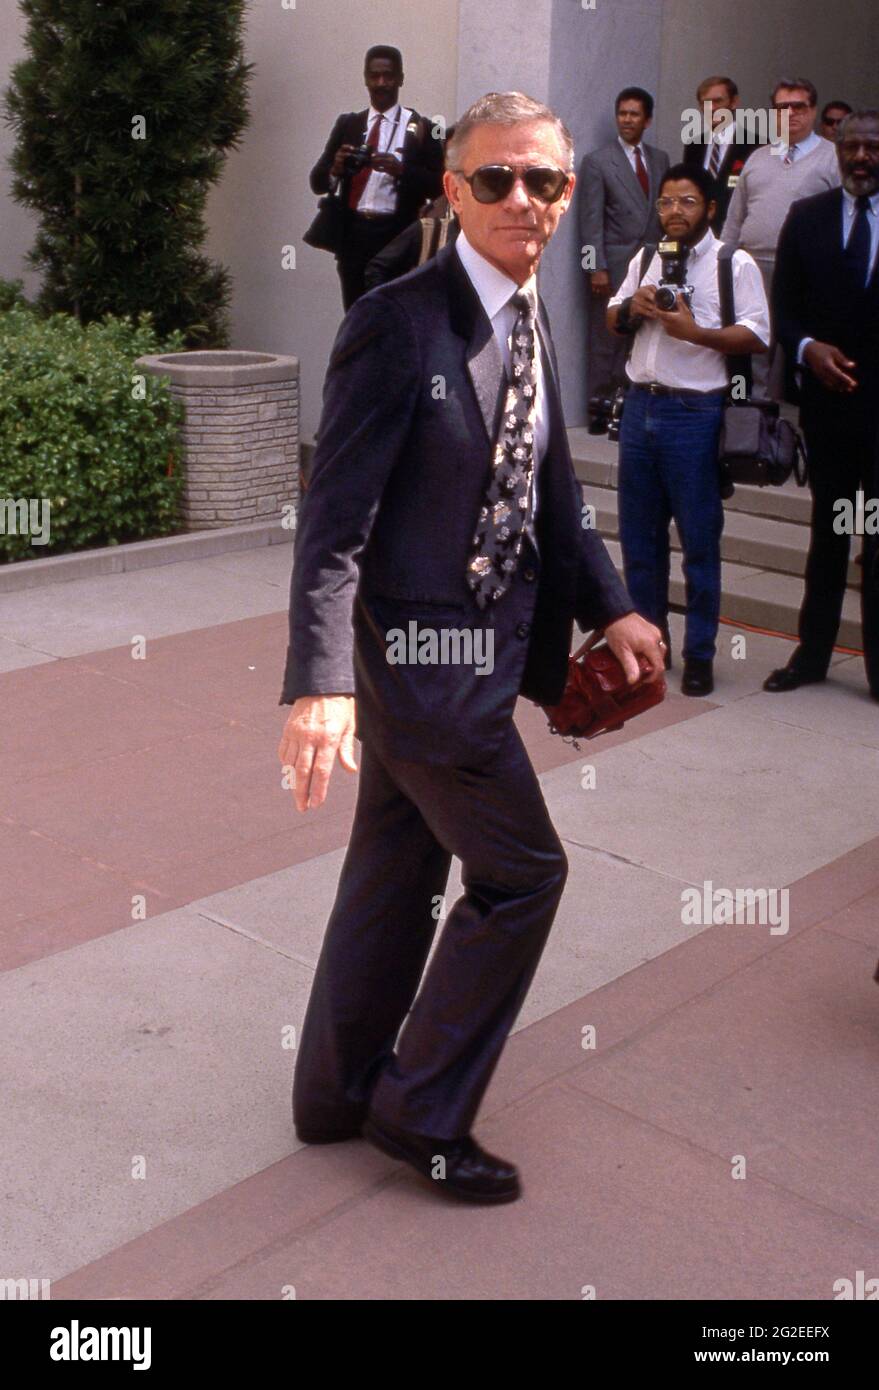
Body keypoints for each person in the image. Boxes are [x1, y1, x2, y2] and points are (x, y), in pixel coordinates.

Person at [277, 90, 663, 1205]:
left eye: (544, 181)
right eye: (495, 179)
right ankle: (422, 1109)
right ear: (453, 190)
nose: (522, 201)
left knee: (396, 871)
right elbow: (333, 518)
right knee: (522, 873)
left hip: (484, 663)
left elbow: (550, 494)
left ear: (566, 193)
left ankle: (336, 1092)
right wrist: (320, 686)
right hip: (423, 673)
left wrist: (615, 604)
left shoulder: (531, 316)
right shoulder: (397, 322)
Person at [607, 164, 770, 696]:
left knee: (699, 543)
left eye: (688, 203)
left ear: (711, 209)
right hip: (640, 407)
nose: (675, 213)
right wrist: (632, 307)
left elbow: (756, 335)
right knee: (638, 540)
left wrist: (694, 332)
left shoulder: (733, 262)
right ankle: (651, 648)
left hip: (695, 415)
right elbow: (611, 316)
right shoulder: (647, 256)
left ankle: (700, 654)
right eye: (667, 203)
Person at [763, 110, 879, 700]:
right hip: (829, 413)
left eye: (873, 147)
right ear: (837, 149)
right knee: (830, 535)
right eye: (852, 145)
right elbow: (783, 307)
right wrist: (808, 350)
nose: (861, 157)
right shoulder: (807, 218)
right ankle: (812, 656)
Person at [721, 77, 841, 397]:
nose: (790, 114)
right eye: (781, 107)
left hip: (806, 270)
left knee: (798, 346)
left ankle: (788, 427)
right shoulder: (758, 157)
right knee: (754, 344)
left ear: (812, 110)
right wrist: (722, 261)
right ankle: (753, 423)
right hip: (752, 265)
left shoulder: (833, 158)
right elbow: (736, 216)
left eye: (798, 106)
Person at [309, 45, 444, 309]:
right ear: (365, 79)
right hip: (353, 236)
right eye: (374, 76)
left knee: (392, 314)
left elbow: (441, 184)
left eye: (388, 76)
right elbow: (317, 183)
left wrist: (401, 170)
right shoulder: (348, 125)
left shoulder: (426, 128)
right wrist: (335, 169)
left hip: (397, 237)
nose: (381, 83)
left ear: (401, 79)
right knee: (356, 315)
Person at [577, 87, 669, 403]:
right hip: (613, 265)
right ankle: (600, 405)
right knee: (607, 338)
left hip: (652, 262)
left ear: (648, 120)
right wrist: (595, 268)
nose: (627, 120)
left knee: (642, 333)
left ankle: (627, 404)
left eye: (634, 114)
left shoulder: (659, 159)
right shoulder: (598, 162)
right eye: (622, 113)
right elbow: (590, 221)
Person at [682, 75, 762, 231]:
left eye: (718, 101)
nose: (711, 108)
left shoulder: (756, 146)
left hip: (738, 237)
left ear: (733, 102)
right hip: (700, 236)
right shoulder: (693, 146)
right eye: (705, 103)